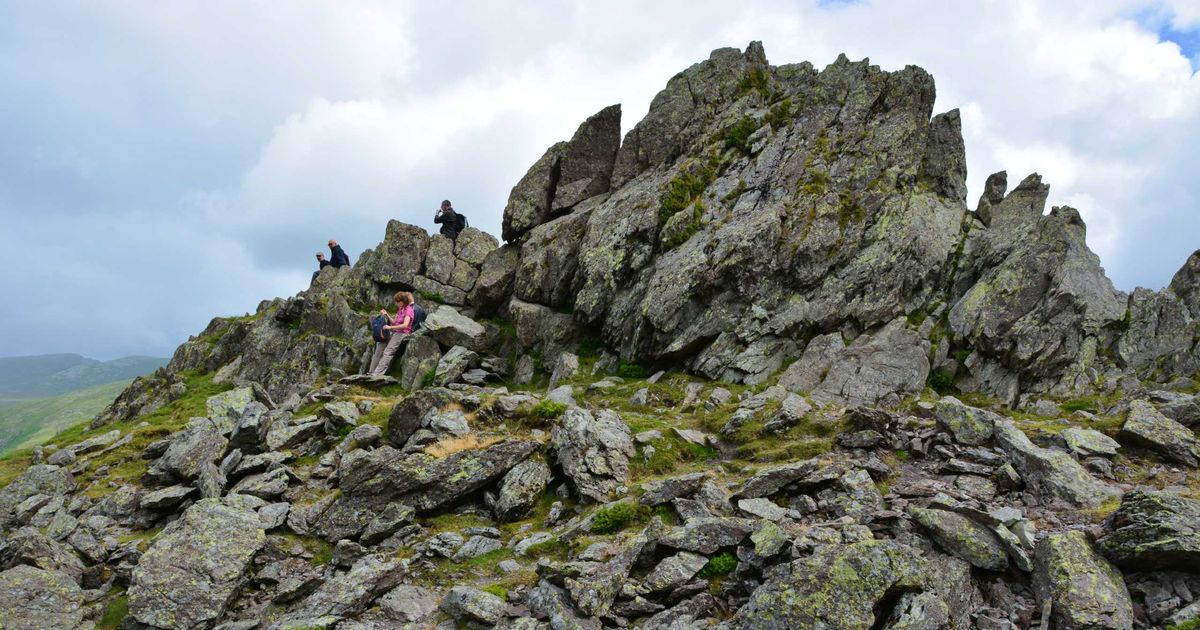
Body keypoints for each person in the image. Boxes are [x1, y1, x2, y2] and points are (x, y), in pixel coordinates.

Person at [368, 291, 415, 376]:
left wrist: (390, 328)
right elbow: (394, 322)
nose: (396, 304)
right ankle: (371, 371)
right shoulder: (400, 309)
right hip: (395, 332)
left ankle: (377, 373)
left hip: (403, 333)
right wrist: (387, 315)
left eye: (397, 302)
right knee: (380, 346)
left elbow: (405, 325)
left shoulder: (409, 310)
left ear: (402, 301)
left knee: (388, 351)